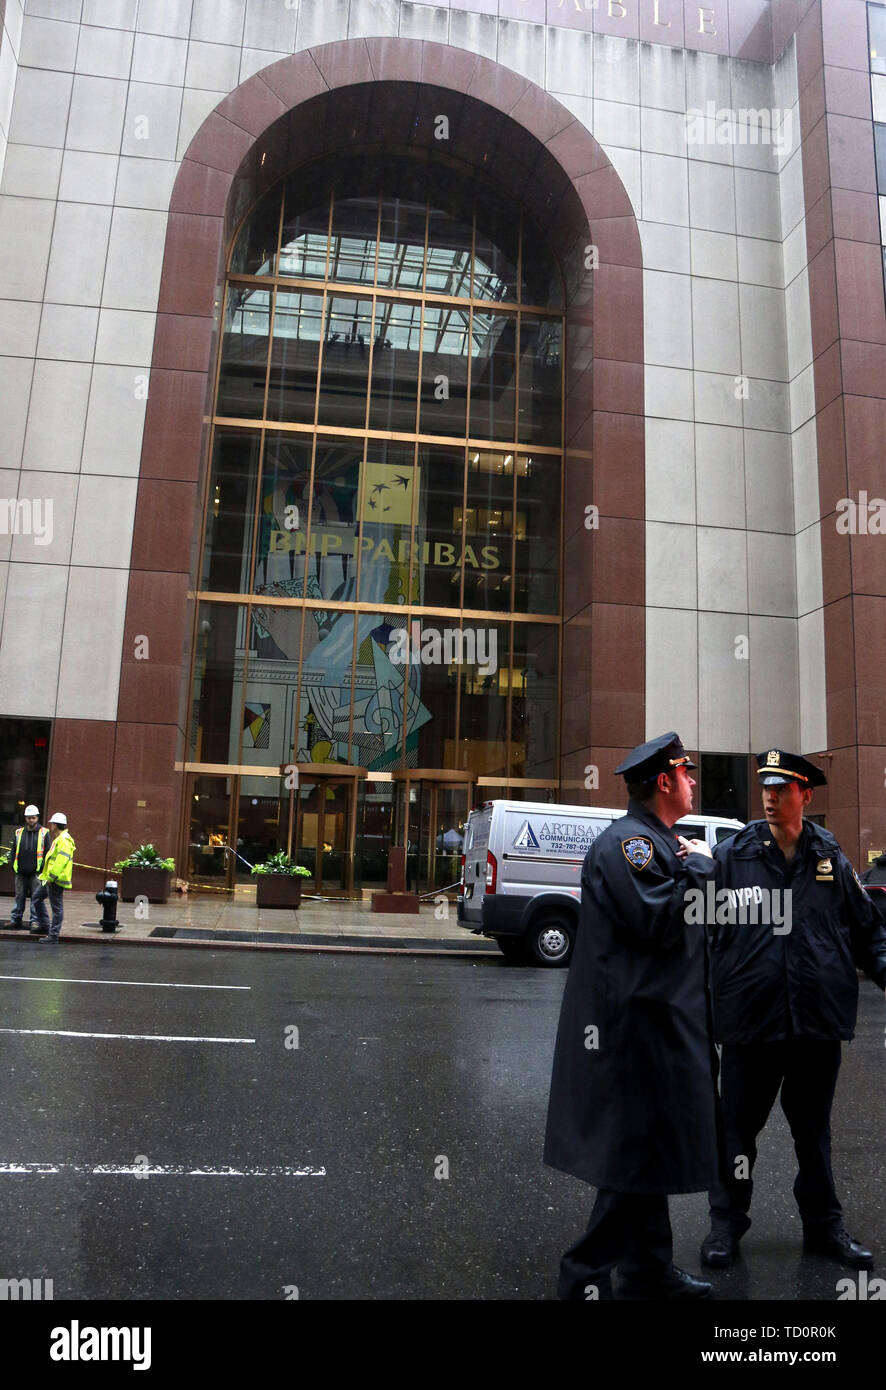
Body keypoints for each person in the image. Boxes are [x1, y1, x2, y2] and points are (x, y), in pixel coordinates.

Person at [544, 732, 721, 1300]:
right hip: (635, 1033)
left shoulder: (659, 841)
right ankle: (584, 1276)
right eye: (687, 774)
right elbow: (659, 922)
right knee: (634, 1157)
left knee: (650, 1153)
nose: (693, 782)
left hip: (658, 1023)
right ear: (665, 781)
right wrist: (701, 871)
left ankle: (647, 1270)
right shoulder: (632, 846)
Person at [701, 750, 886, 1271]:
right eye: (766, 786)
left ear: (806, 794)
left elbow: (868, 930)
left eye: (783, 788)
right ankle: (725, 1226)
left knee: (814, 1134)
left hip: (814, 1025)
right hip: (751, 1025)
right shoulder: (733, 856)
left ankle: (825, 1229)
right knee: (737, 1135)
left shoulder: (829, 855)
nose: (770, 796)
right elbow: (700, 933)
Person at [30, 812, 75, 945]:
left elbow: (61, 861)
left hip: (54, 880)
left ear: (55, 825)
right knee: (36, 898)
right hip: (49, 879)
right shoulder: (59, 839)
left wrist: (52, 877)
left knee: (57, 908)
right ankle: (45, 925)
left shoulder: (64, 840)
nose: (50, 826)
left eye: (52, 824)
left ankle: (53, 935)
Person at [8, 805, 50, 933]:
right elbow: (14, 850)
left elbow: (47, 852)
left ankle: (35, 922)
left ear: (37, 818)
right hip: (20, 872)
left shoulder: (44, 832)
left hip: (36, 873)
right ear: (25, 818)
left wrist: (42, 870)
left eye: (33, 818)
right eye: (28, 818)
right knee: (19, 897)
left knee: (35, 898)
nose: (31, 820)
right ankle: (15, 920)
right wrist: (13, 866)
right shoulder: (18, 832)